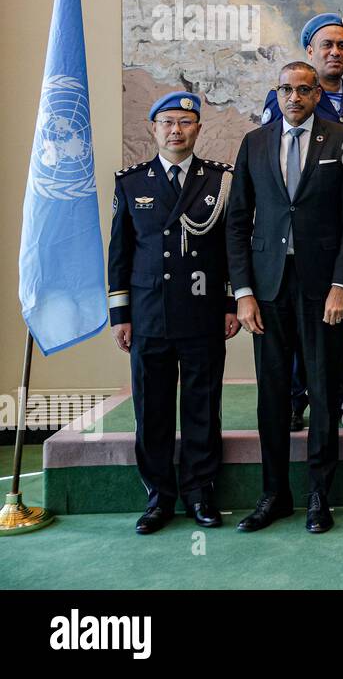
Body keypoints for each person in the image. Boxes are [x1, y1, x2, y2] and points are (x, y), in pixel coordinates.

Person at [226, 62, 343, 534]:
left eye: (303, 90)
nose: (294, 98)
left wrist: (342, 285)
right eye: (286, 89)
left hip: (322, 287)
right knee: (272, 396)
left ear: (315, 95)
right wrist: (242, 294)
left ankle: (317, 496)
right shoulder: (255, 142)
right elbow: (237, 222)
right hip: (267, 291)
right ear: (277, 93)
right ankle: (274, 495)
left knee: (324, 392)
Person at [108, 92, 238, 534]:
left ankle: (201, 493)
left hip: (201, 312)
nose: (176, 130)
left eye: (185, 122)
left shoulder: (220, 180)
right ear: (154, 128)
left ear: (198, 128)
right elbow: (119, 254)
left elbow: (228, 248)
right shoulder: (131, 182)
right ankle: (159, 497)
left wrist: (229, 303)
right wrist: (120, 315)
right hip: (148, 315)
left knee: (203, 406)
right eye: (167, 122)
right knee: (153, 409)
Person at [261, 14, 343, 431]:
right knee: (295, 329)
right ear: (310, 50)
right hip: (297, 235)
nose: (335, 52)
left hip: (341, 232)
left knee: (342, 328)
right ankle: (296, 401)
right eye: (326, 45)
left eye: (342, 46)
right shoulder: (286, 98)